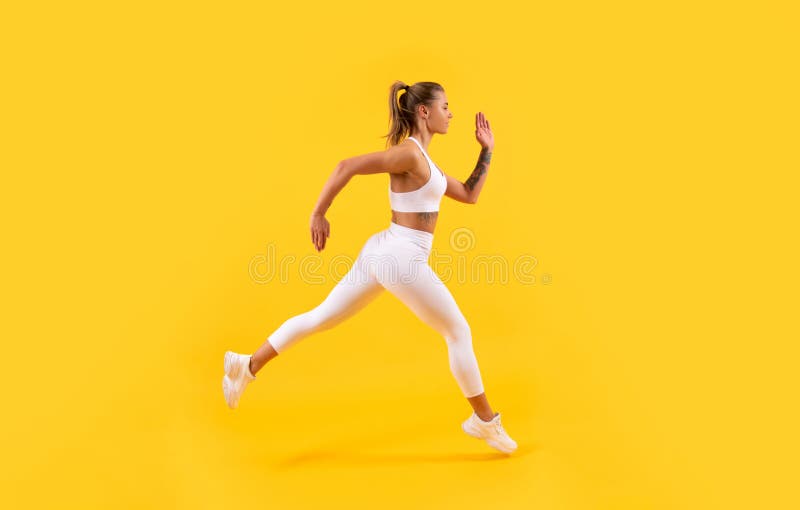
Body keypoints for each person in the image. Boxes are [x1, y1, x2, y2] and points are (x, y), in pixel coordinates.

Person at [222, 81, 517, 454]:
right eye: (445, 106)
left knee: (320, 318)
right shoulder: (409, 155)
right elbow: (348, 165)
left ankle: (245, 366)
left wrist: (486, 151)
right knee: (458, 331)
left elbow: (470, 194)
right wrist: (318, 213)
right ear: (424, 112)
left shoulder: (427, 162)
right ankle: (485, 421)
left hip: (384, 250)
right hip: (400, 257)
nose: (451, 113)